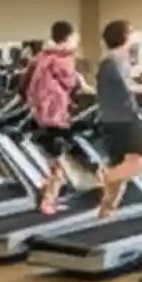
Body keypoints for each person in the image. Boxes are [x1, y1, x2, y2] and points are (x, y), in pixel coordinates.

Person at [24, 20, 94, 215]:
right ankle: (47, 203)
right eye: (75, 37)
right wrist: (82, 84)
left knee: (56, 161)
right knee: (60, 164)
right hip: (55, 115)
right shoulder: (63, 58)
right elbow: (70, 82)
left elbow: (25, 82)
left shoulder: (41, 57)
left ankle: (45, 199)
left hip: (40, 114)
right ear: (69, 37)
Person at [96, 20, 142, 218]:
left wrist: (141, 73)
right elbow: (129, 88)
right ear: (124, 37)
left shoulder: (110, 60)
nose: (135, 36)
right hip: (125, 120)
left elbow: (123, 80)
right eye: (131, 32)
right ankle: (104, 176)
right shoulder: (117, 59)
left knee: (120, 168)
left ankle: (106, 212)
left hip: (110, 120)